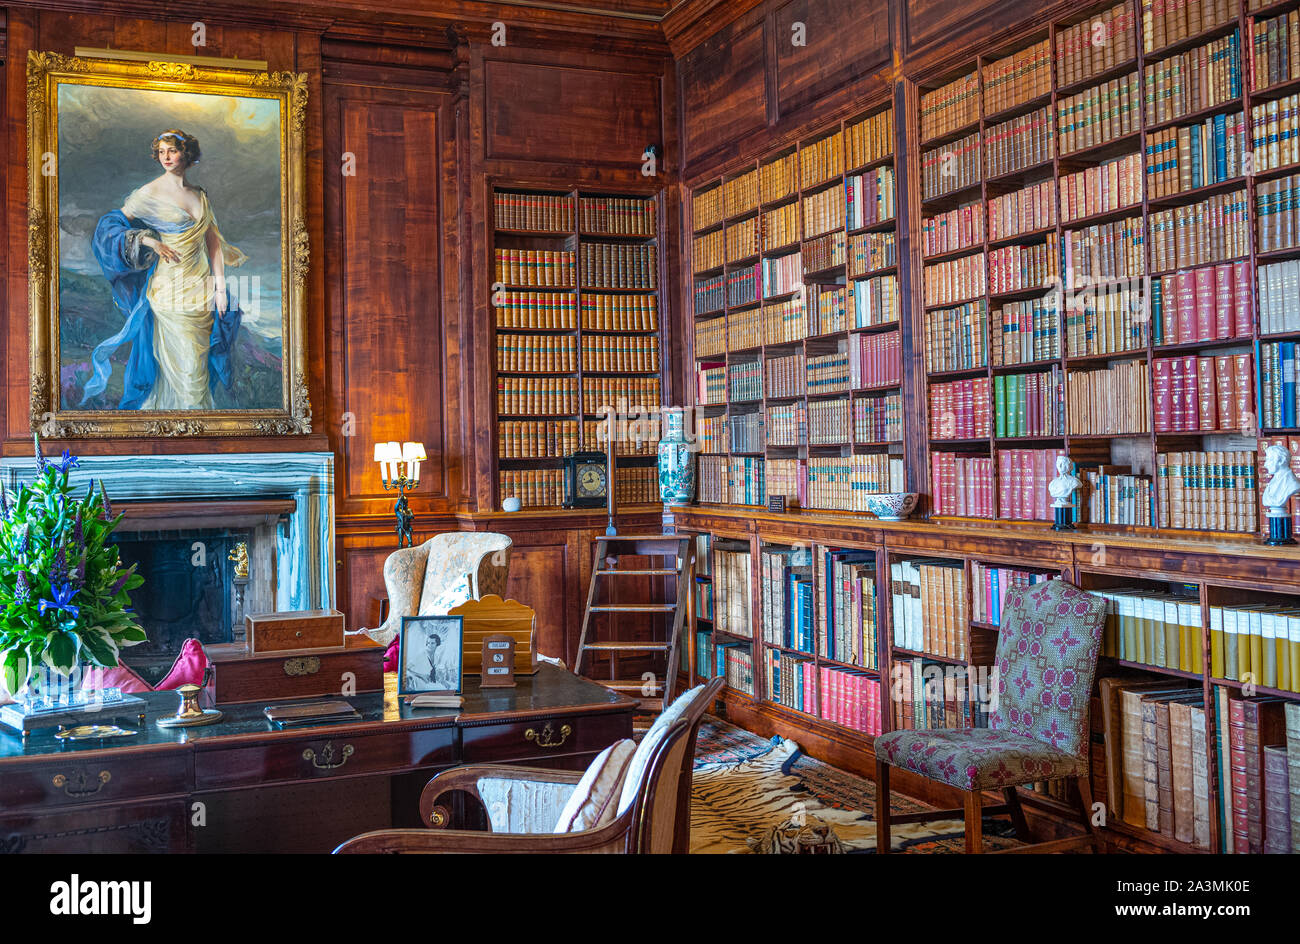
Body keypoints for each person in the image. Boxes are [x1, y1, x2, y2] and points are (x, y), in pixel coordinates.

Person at [83, 130, 247, 410]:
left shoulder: (200, 195)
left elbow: (213, 244)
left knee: (197, 364)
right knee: (184, 367)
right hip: (169, 289)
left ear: (186, 153)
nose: (166, 157)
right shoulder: (149, 192)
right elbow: (110, 227)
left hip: (201, 289)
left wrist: (220, 290)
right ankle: (182, 421)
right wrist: (148, 240)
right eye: (161, 152)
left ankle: (193, 426)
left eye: (172, 150)